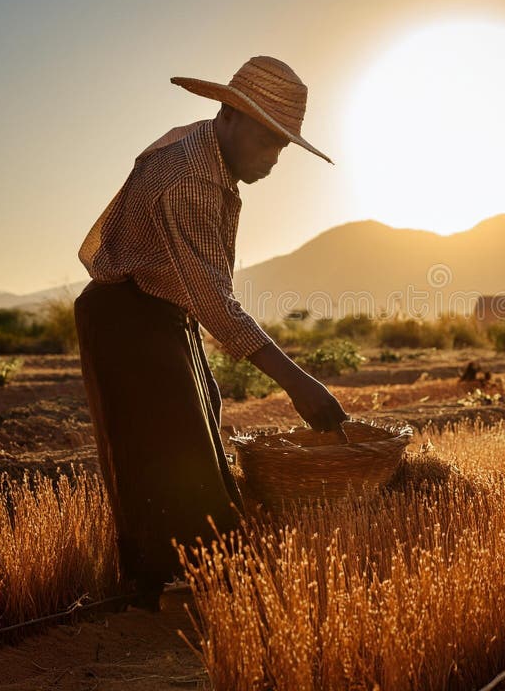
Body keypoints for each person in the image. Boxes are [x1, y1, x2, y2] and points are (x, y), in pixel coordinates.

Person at [74, 56, 348, 610]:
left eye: (281, 148)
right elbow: (215, 305)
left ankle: (177, 578)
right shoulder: (192, 178)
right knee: (167, 452)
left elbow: (201, 293)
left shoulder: (203, 151)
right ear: (229, 114)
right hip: (128, 319)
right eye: (267, 141)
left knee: (197, 432)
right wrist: (300, 384)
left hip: (155, 309)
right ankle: (177, 586)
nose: (272, 158)